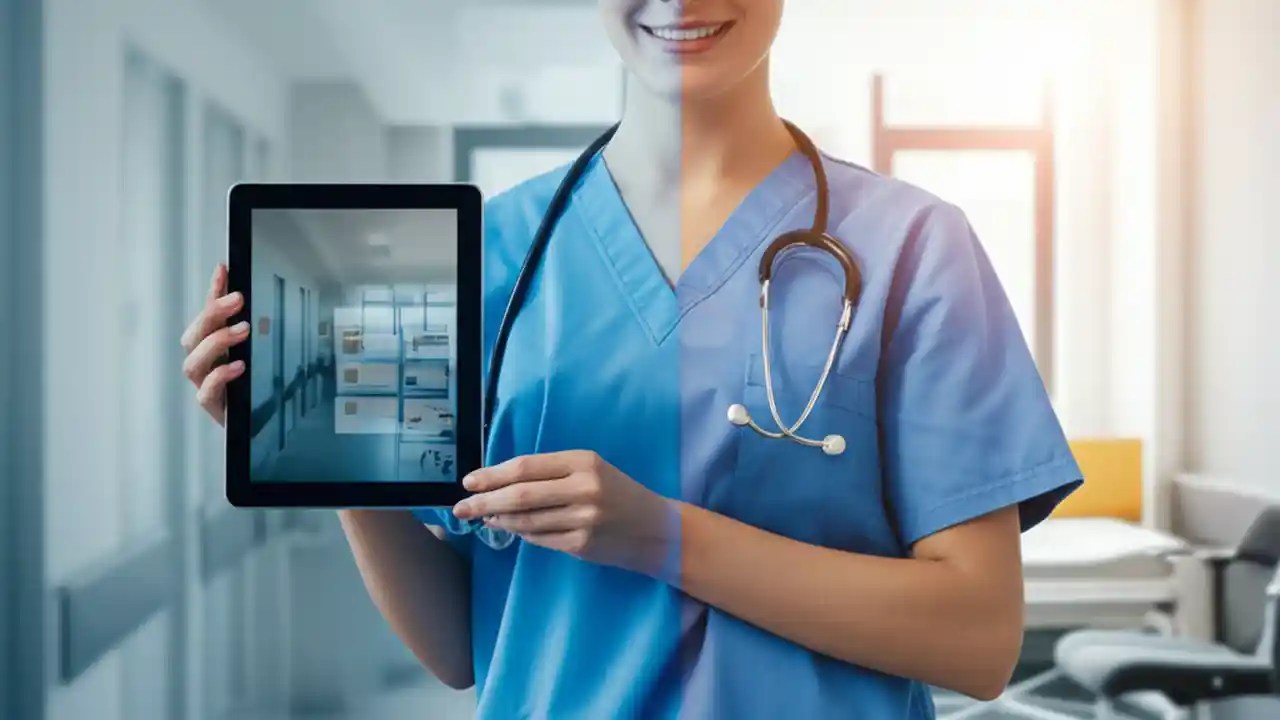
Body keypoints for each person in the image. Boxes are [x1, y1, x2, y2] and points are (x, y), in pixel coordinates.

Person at [180, 0, 1082, 717]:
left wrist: (662, 535)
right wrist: (322, 450)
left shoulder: (912, 247)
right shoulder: (485, 258)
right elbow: (460, 649)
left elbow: (978, 639)